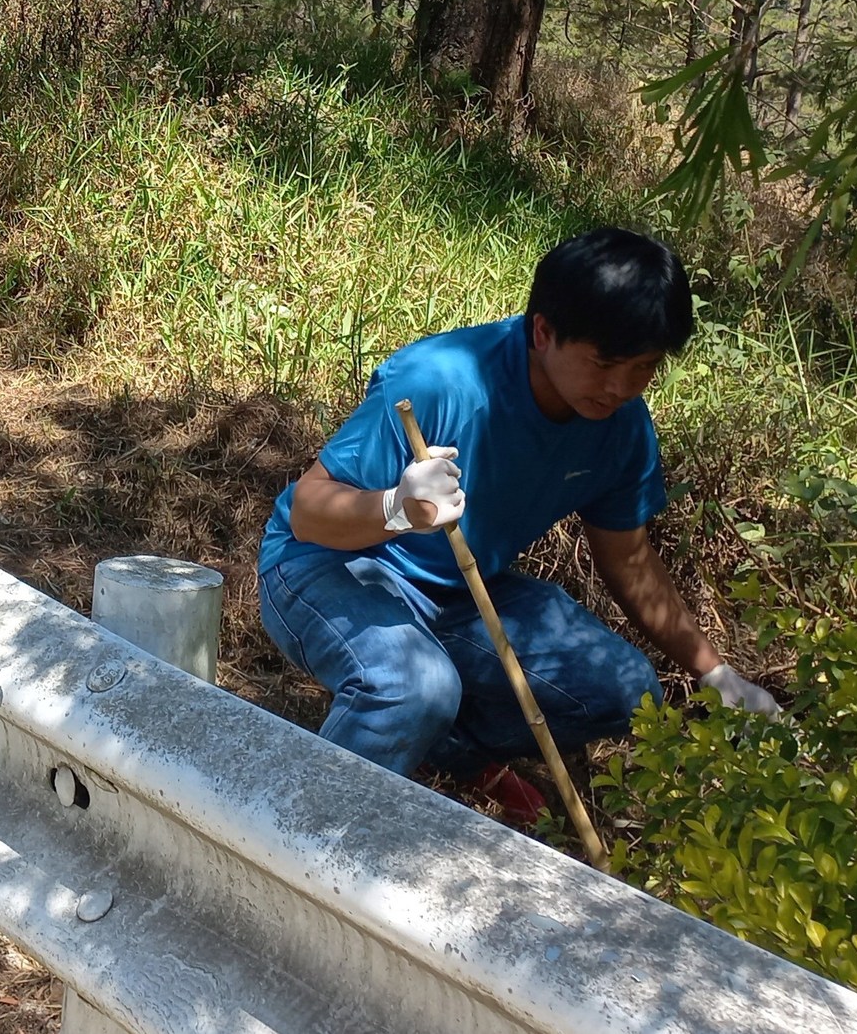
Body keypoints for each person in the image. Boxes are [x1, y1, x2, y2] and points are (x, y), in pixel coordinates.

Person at [258, 227, 779, 823]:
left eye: (643, 368)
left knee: (624, 690)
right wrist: (394, 508)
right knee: (415, 689)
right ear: (542, 332)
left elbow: (628, 559)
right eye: (604, 363)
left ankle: (445, 749)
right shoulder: (440, 383)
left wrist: (714, 671)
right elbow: (308, 510)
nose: (620, 388)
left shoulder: (621, 428)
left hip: (458, 587)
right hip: (328, 564)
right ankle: (293, 838)